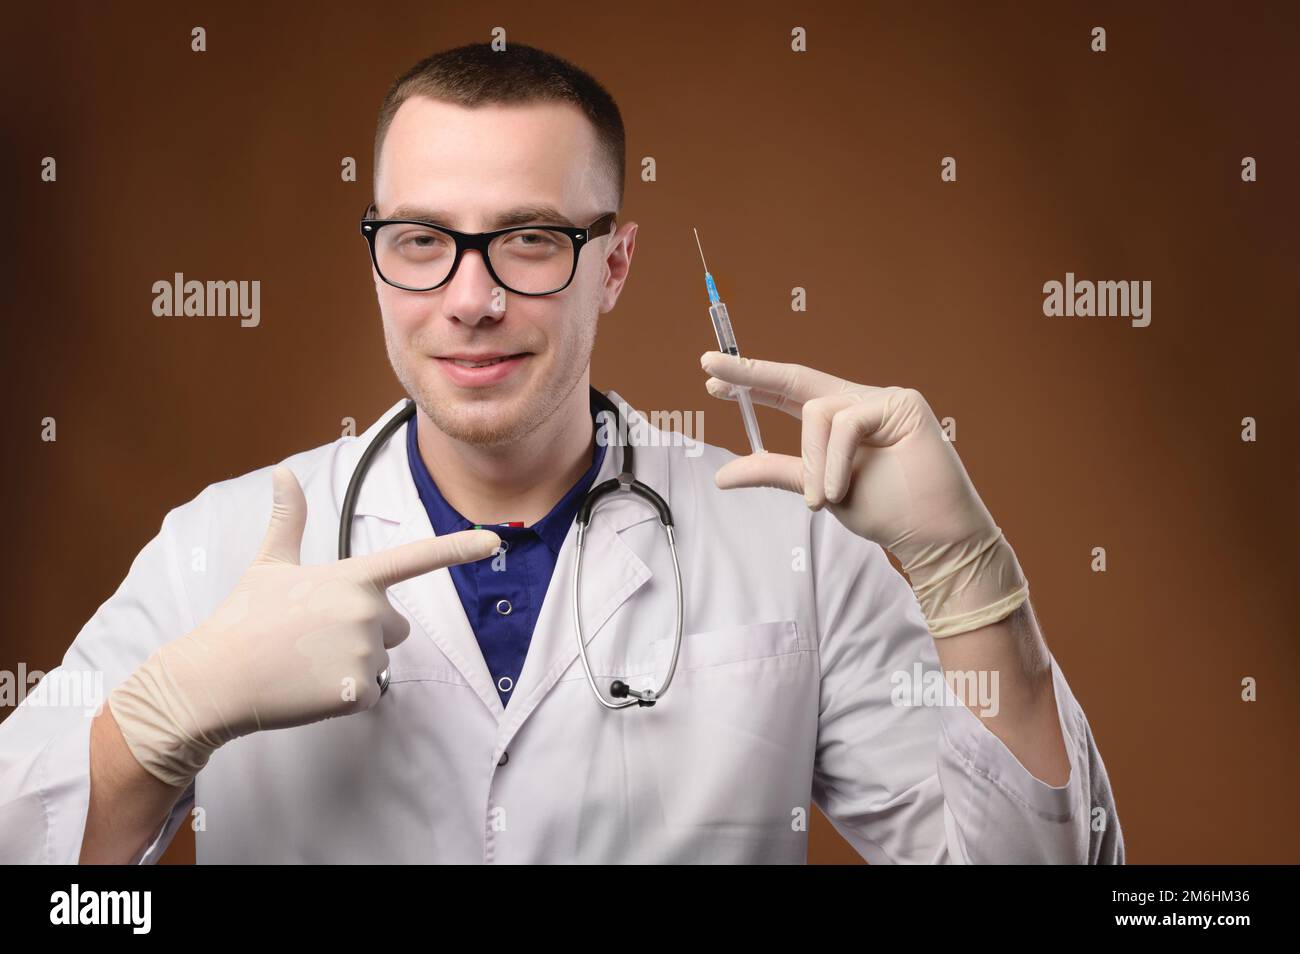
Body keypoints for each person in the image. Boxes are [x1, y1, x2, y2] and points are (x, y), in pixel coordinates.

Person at [0, 42, 1123, 864]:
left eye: (531, 241)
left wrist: (978, 595)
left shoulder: (794, 546)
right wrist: (157, 723)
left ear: (616, 264)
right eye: (422, 242)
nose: (471, 299)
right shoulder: (219, 550)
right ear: (377, 257)